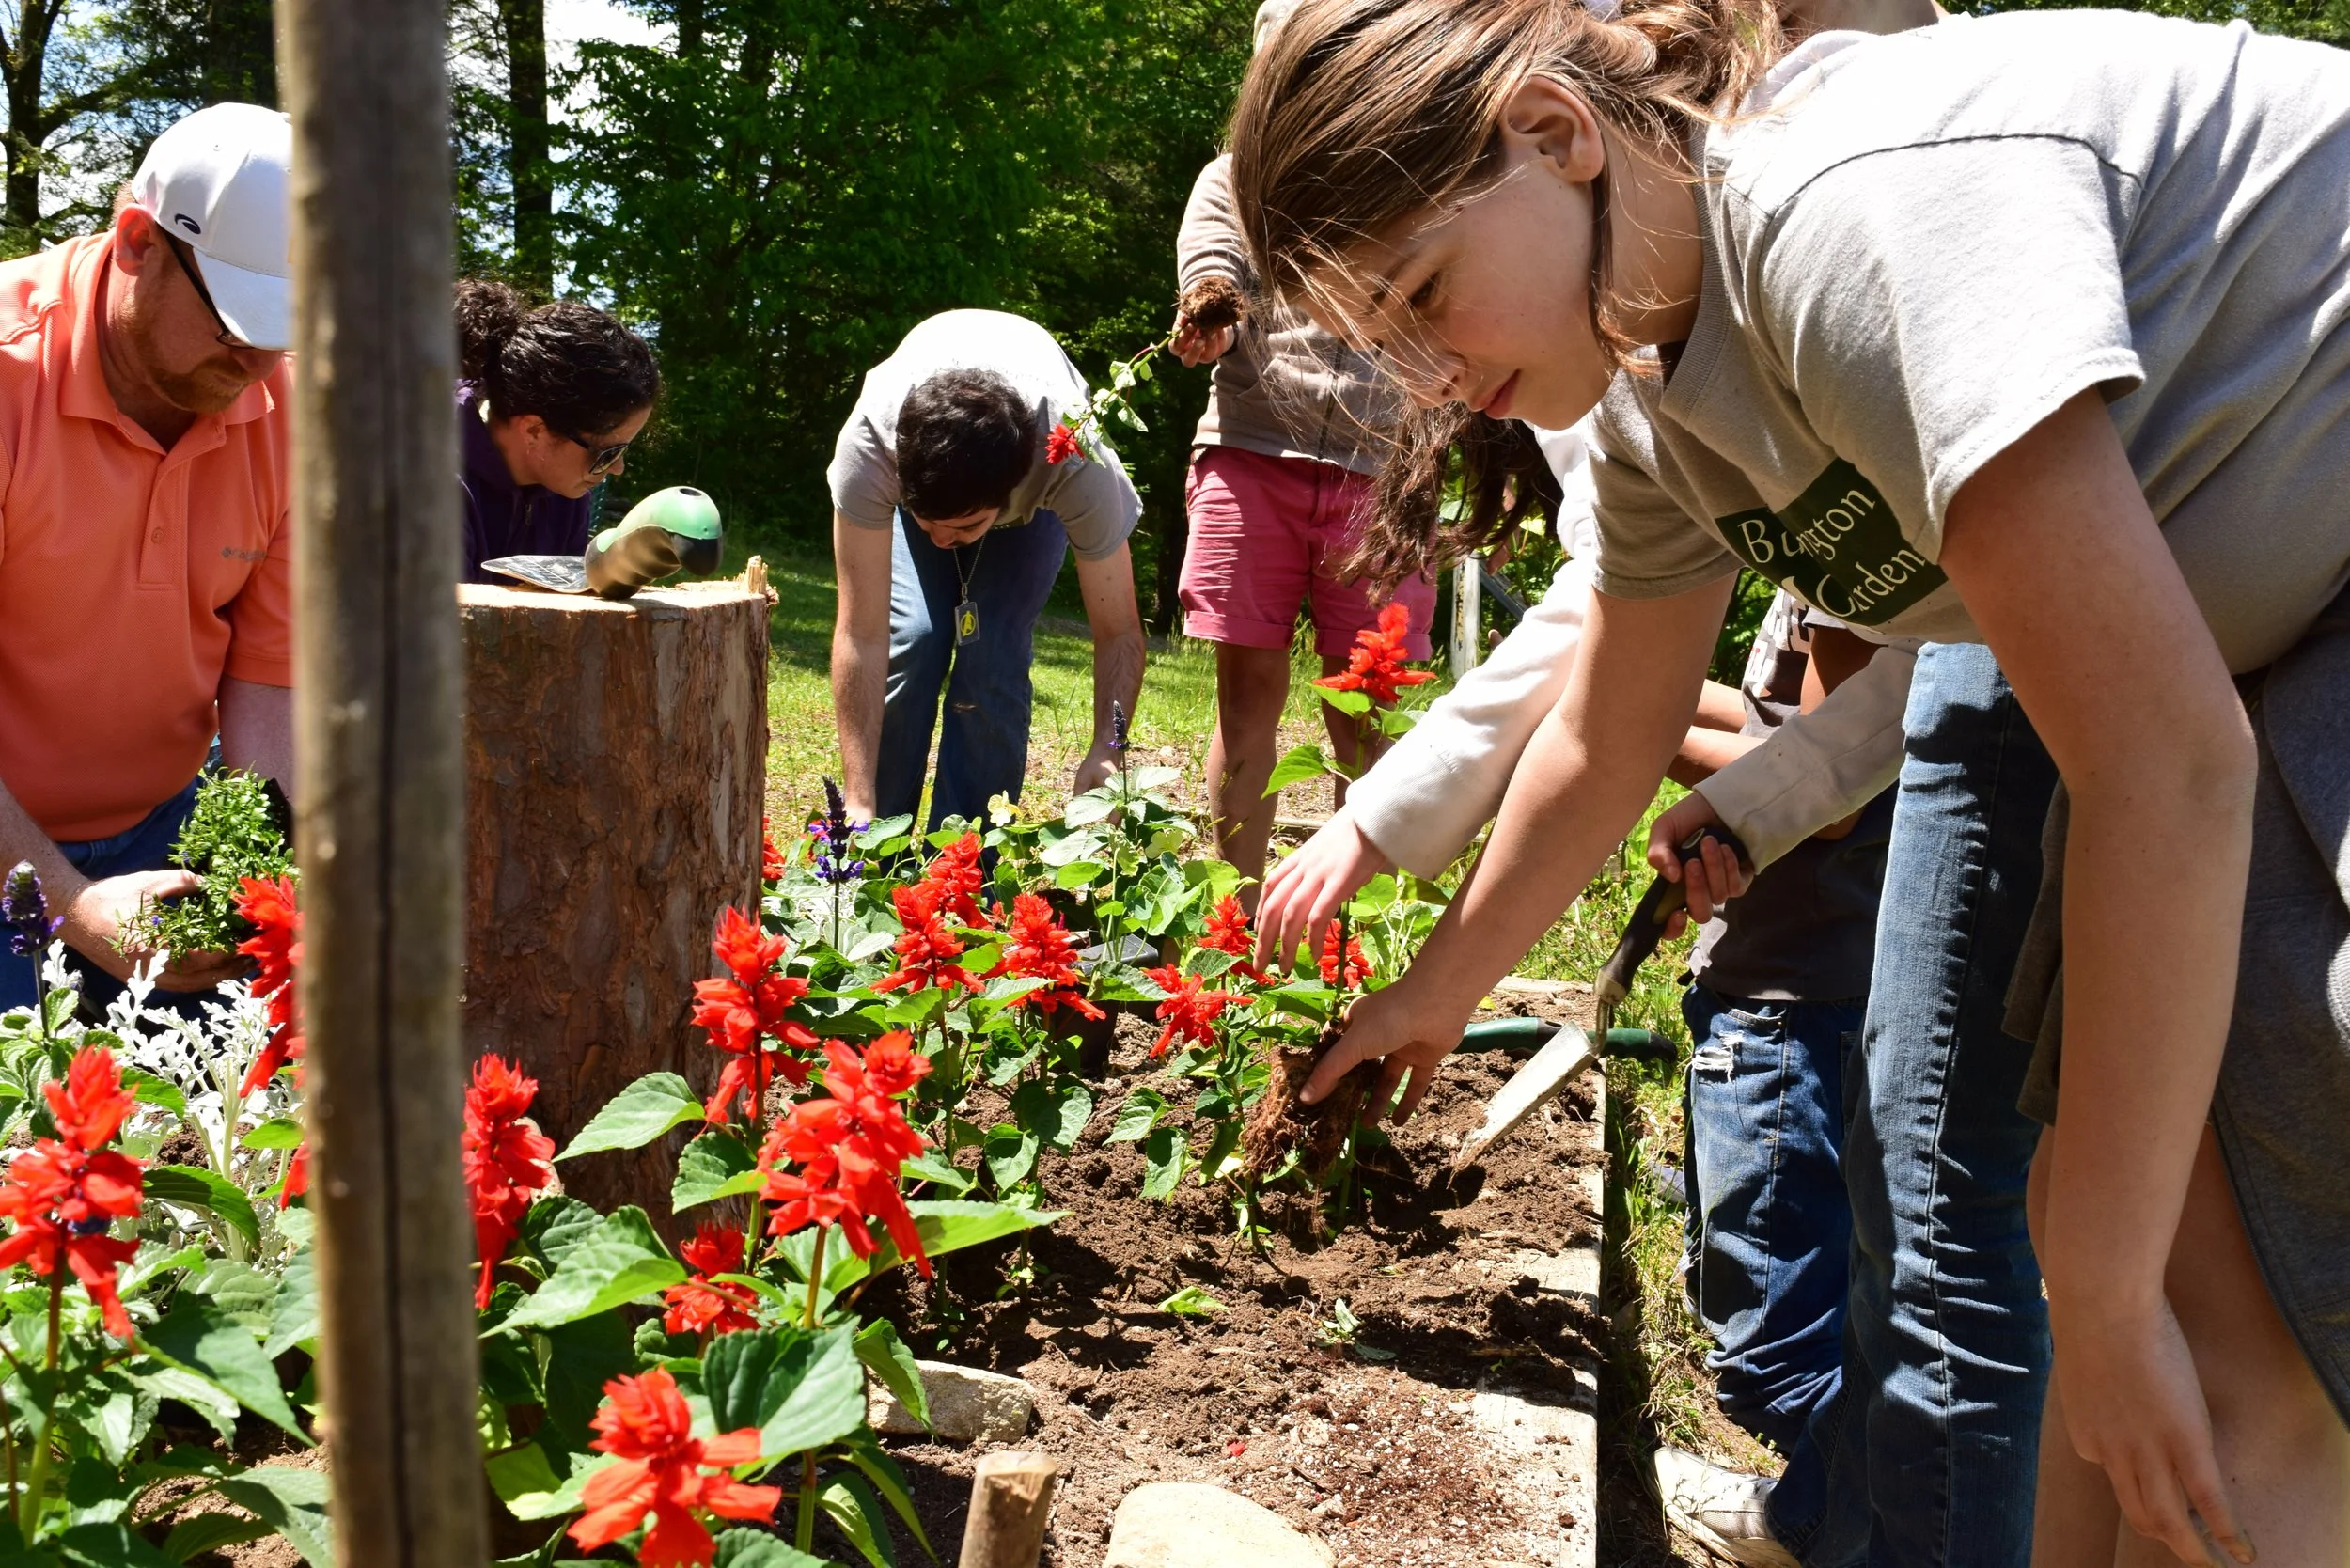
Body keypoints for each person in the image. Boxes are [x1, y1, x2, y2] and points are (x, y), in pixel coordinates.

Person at [1233, 3, 2350, 1563]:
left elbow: (2165, 764)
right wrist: (1437, 991)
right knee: (2124, 1316)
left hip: (2285, 649)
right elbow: (1605, 732)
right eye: (1382, 340)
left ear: (1558, 136)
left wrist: (2101, 1287)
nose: (1429, 373)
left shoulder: (1843, 220)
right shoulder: (1657, 404)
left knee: (2226, 1365)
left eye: (1426, 294)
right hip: (2258, 651)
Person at [0, 102, 295, 1015]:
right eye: (234, 323)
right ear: (137, 243)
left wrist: (250, 882)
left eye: (281, 329)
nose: (255, 362)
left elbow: (269, 683)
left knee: (232, 1093)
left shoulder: (291, 417)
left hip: (159, 824)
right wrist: (72, 903)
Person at [1170, 0, 1434, 888]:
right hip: (1252, 459)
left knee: (1369, 714)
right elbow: (1214, 254)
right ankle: (1238, 924)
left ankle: (1348, 937)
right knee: (1248, 700)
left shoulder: (1406, 174)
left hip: (1386, 481)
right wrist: (1210, 303)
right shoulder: (1237, 178)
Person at [828, 309, 1147, 829]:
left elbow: (1119, 631)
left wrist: (1108, 750)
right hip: (925, 463)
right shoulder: (869, 449)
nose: (940, 540)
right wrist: (855, 794)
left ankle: (964, 860)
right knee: (912, 638)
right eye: (925, 520)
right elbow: (859, 630)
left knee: (992, 651)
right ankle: (871, 836)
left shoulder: (1076, 461)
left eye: (963, 526)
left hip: (1033, 484)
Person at [456, 278, 660, 585]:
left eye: (623, 449)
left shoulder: (566, 489)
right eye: (607, 453)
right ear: (534, 430)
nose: (617, 468)